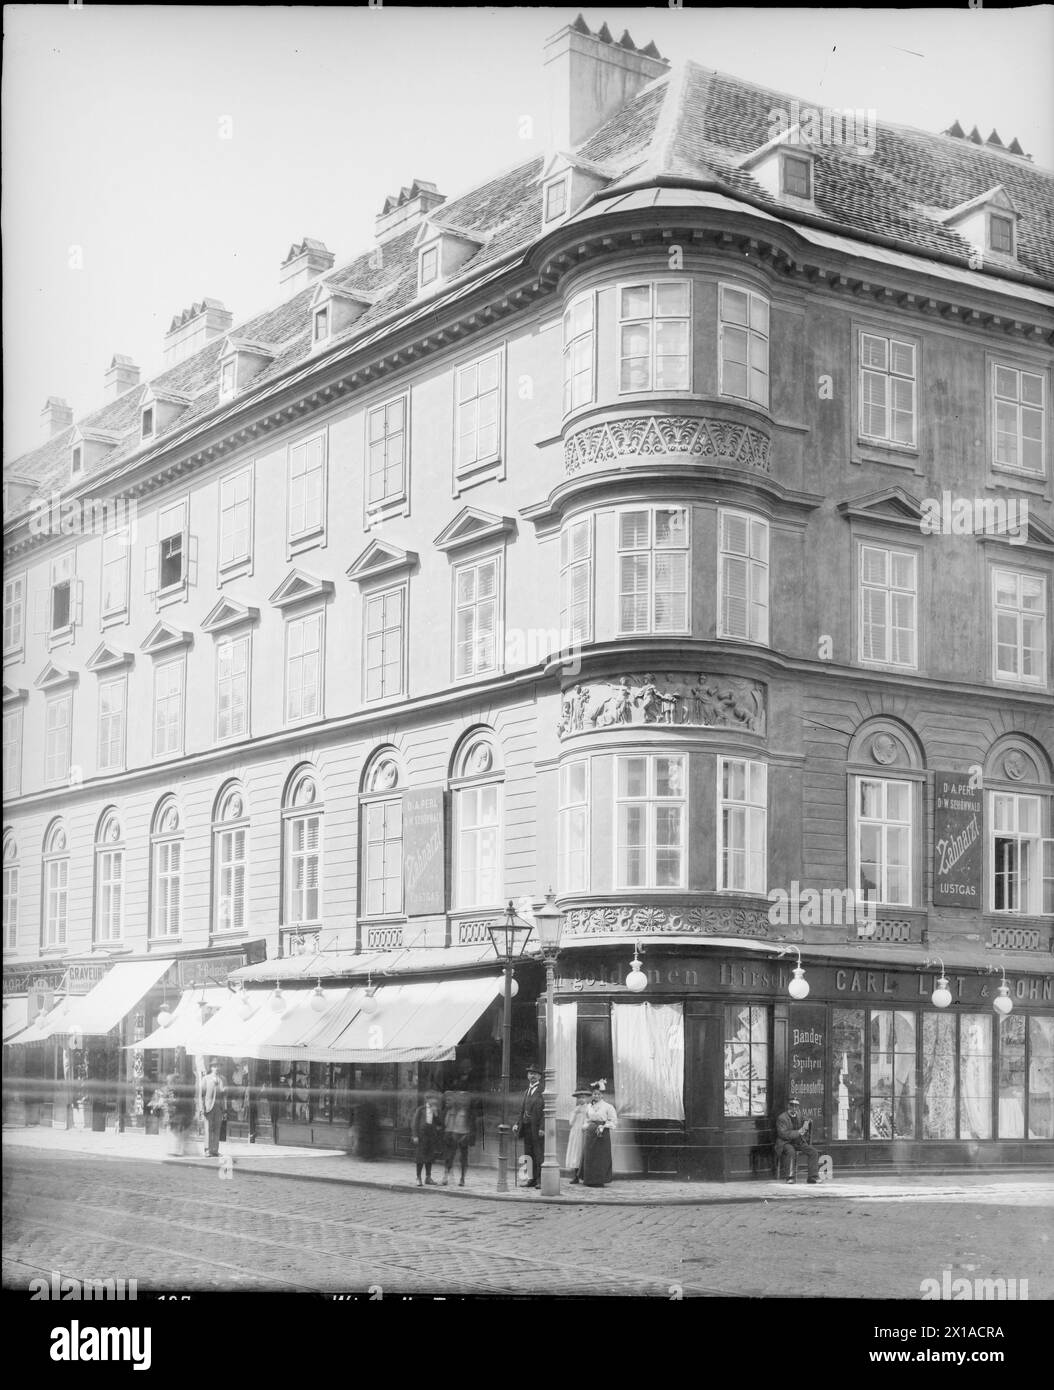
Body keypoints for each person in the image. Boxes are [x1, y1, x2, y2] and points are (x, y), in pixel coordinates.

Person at [512, 1063, 545, 1188]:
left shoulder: (543, 1091)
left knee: (539, 1153)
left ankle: (541, 1180)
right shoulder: (527, 1091)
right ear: (527, 1075)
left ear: (540, 1077)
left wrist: (542, 1128)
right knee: (528, 1154)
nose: (533, 1076)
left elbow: (545, 1111)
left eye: (535, 1074)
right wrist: (517, 1124)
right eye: (531, 1074)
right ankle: (531, 1179)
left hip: (537, 1129)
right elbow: (522, 1110)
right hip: (526, 1128)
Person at [581, 1081, 618, 1187]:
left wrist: (603, 1126)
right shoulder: (589, 1107)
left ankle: (599, 1180)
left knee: (600, 1156)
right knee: (589, 1156)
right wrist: (585, 1126)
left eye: (598, 1094)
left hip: (602, 1133)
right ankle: (589, 1180)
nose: (596, 1096)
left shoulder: (608, 1107)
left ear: (602, 1095)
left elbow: (613, 1120)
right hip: (590, 1133)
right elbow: (587, 1119)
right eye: (594, 1094)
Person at [776, 1094, 820, 1183]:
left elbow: (806, 1119)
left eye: (796, 1106)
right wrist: (799, 1132)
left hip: (798, 1142)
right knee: (791, 1152)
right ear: (788, 1106)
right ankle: (790, 1177)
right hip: (785, 1143)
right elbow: (784, 1134)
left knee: (813, 1152)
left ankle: (812, 1177)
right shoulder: (782, 1118)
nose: (794, 1108)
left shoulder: (798, 1114)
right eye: (792, 1106)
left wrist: (807, 1122)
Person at [441, 1080, 475, 1187]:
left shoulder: (469, 1111)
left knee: (463, 1159)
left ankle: (462, 1179)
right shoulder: (452, 1109)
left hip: (464, 1134)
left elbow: (473, 1124)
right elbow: (446, 1122)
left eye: (464, 1098)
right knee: (449, 1156)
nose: (462, 1100)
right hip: (453, 1134)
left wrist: (469, 1135)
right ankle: (446, 1177)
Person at [411, 1090, 444, 1185]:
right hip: (421, 1136)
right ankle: (418, 1177)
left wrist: (436, 1114)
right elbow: (415, 1123)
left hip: (431, 1136)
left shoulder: (436, 1110)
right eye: (432, 1099)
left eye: (436, 1099)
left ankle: (428, 1177)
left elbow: (439, 1124)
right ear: (427, 1100)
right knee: (420, 1157)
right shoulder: (421, 1110)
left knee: (429, 1157)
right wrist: (415, 1136)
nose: (435, 1101)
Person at [565, 1084, 592, 1184]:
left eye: (583, 1097)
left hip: (583, 1131)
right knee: (575, 1152)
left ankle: (584, 1176)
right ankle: (576, 1176)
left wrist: (585, 1126)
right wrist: (575, 1113)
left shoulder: (589, 1108)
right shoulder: (576, 1109)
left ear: (587, 1098)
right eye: (579, 1098)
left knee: (582, 1152)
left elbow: (590, 1119)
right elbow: (571, 1122)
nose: (581, 1099)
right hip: (575, 1132)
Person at [201, 1061, 226, 1157]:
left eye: (218, 1066)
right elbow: (201, 1094)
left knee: (217, 1129)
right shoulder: (206, 1079)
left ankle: (215, 1150)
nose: (216, 1068)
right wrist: (202, 1107)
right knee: (208, 1129)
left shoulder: (222, 1079)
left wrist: (224, 1108)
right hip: (208, 1107)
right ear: (211, 1068)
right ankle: (207, 1150)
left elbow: (224, 1095)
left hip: (218, 1107)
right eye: (214, 1066)